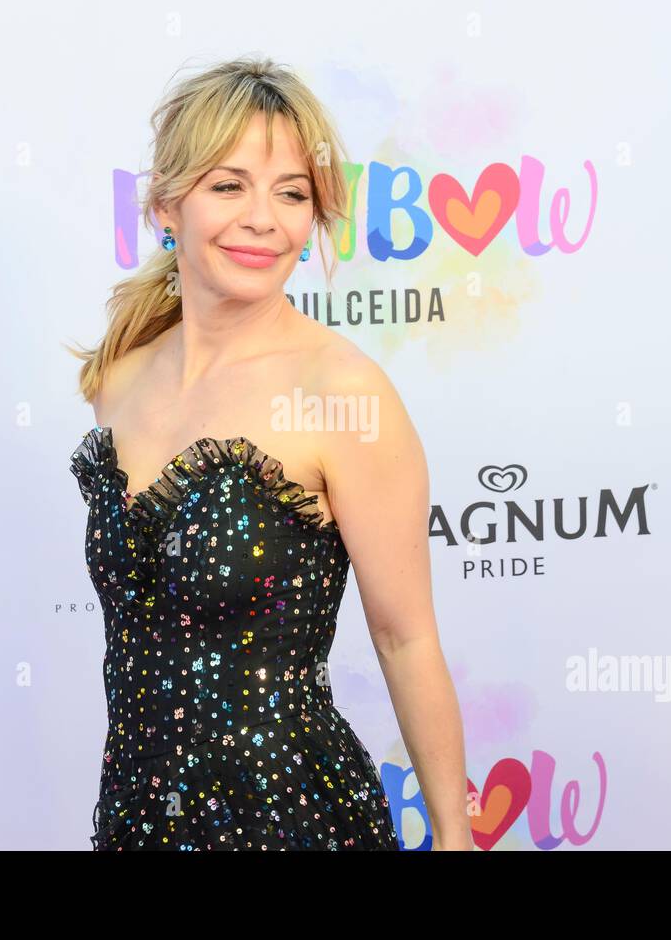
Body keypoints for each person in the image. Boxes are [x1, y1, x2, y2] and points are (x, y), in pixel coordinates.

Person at [67, 55, 471, 851]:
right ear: (166, 201)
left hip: (293, 822)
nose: (264, 218)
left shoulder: (343, 392)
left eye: (292, 193)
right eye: (229, 185)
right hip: (136, 824)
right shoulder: (119, 374)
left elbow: (405, 637)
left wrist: (454, 839)